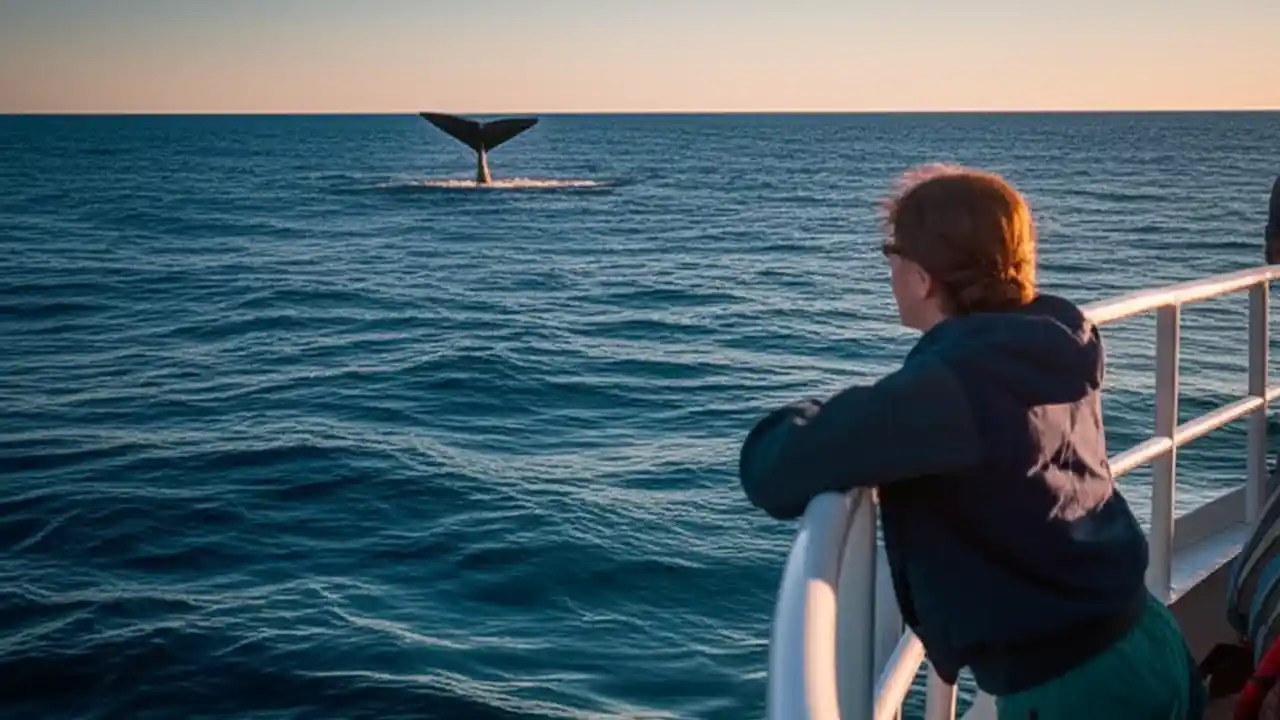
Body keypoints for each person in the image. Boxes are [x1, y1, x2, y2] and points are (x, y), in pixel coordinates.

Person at [737, 165, 1205, 719]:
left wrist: (811, 412)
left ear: (921, 276)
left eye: (891, 255)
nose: (888, 271)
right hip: (1148, 638)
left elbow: (773, 468)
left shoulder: (952, 390)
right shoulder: (1054, 342)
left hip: (1071, 689)